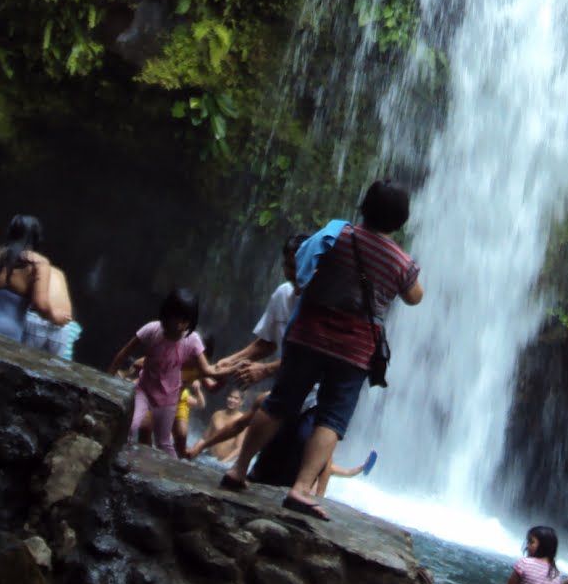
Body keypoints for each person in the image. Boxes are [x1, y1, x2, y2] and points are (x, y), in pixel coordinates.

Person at [222, 182, 422, 520]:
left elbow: (305, 262)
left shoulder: (337, 236)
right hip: (354, 351)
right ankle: (301, 490)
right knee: (332, 418)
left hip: (309, 335)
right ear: (401, 221)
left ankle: (238, 469)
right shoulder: (400, 261)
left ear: (363, 207)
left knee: (278, 404)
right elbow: (415, 296)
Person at [193, 234, 308, 472]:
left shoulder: (319, 302)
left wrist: (264, 369)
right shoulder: (282, 294)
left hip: (312, 391)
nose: (289, 272)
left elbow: (307, 355)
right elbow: (265, 343)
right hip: (286, 386)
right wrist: (231, 361)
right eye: (286, 265)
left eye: (295, 266)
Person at [109, 289, 224, 456]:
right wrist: (125, 375)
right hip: (155, 394)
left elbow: (212, 386)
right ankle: (145, 456)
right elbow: (143, 362)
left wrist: (223, 378)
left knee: (181, 435)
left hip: (178, 400)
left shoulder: (199, 368)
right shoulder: (173, 350)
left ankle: (179, 459)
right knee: (145, 427)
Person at [0, 216, 70, 341]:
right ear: (36, 237)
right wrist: (55, 317)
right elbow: (40, 304)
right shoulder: (38, 263)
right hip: (6, 329)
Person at [22, 260, 80, 360]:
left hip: (38, 318)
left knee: (24, 359)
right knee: (59, 367)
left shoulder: (36, 269)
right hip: (65, 325)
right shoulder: (59, 274)